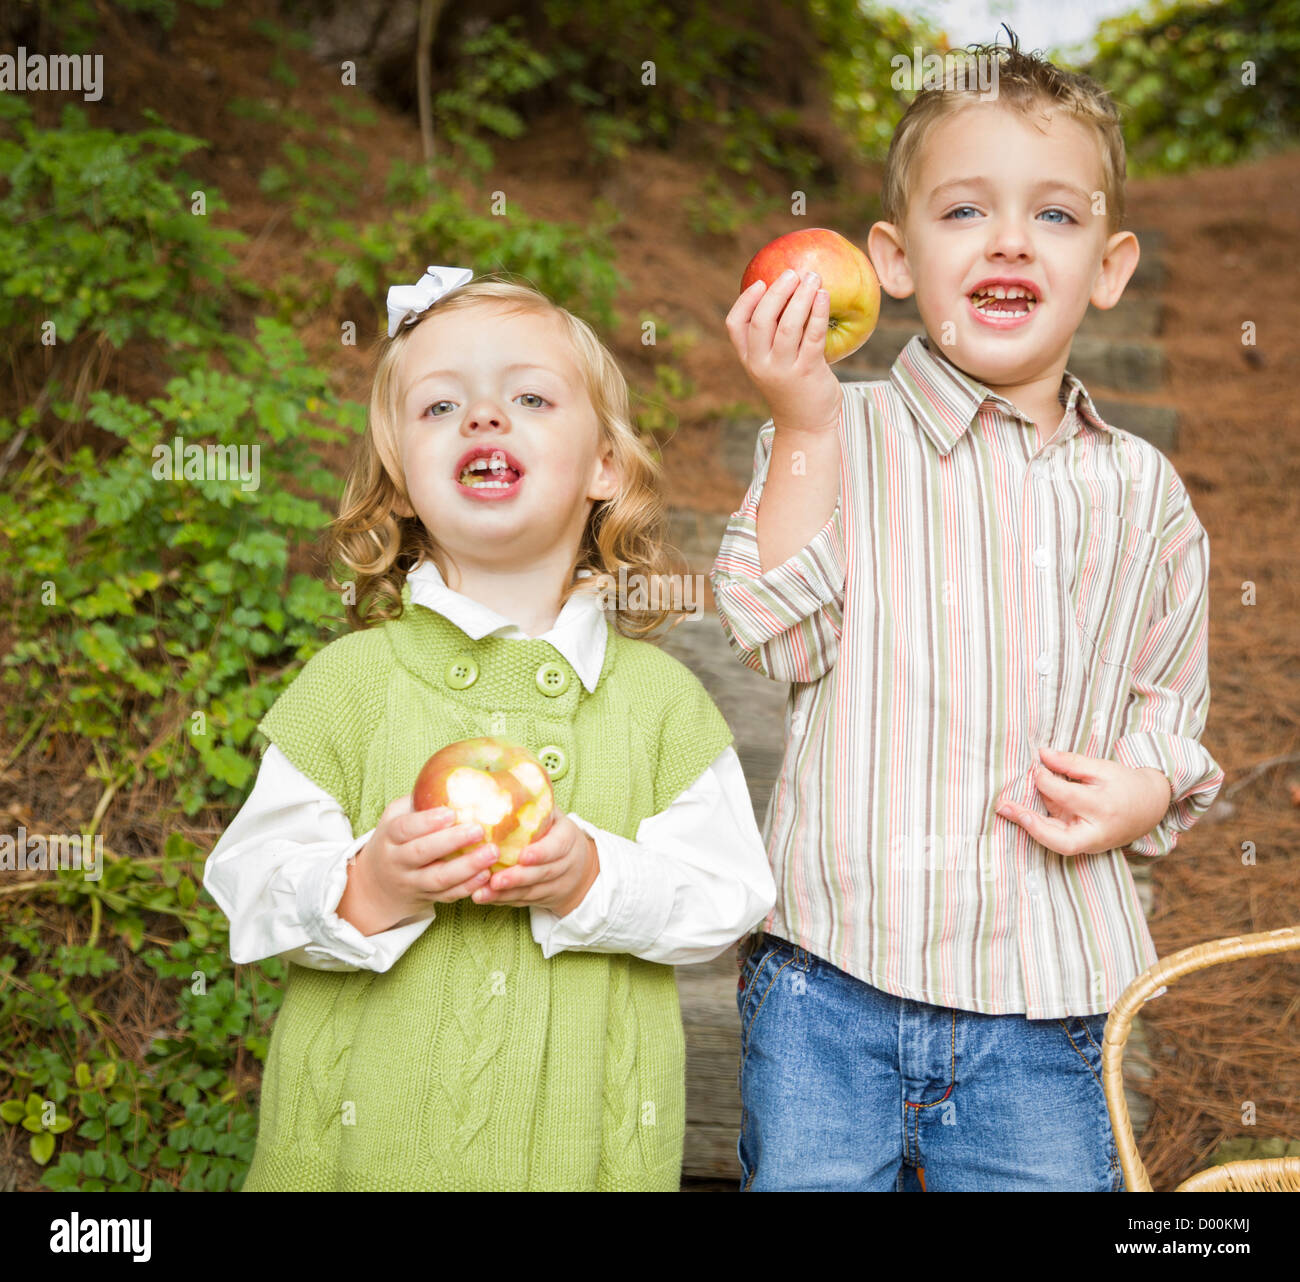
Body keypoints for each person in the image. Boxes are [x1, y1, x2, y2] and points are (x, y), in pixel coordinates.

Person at [713, 37, 1224, 1191]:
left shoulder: (1142, 490)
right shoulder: (839, 436)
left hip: (1044, 1007)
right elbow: (777, 630)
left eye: (1053, 215)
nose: (1005, 240)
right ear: (890, 258)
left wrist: (1144, 785)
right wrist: (798, 424)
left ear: (1109, 264)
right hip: (827, 990)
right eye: (963, 211)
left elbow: (1168, 701)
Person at [204, 268, 775, 1191]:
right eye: (439, 407)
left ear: (606, 468)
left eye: (530, 397)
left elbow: (727, 898)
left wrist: (594, 876)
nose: (482, 418)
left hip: (579, 1157)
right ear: (396, 483)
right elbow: (249, 886)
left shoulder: (662, 706)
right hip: (362, 1154)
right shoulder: (349, 686)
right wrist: (370, 883)